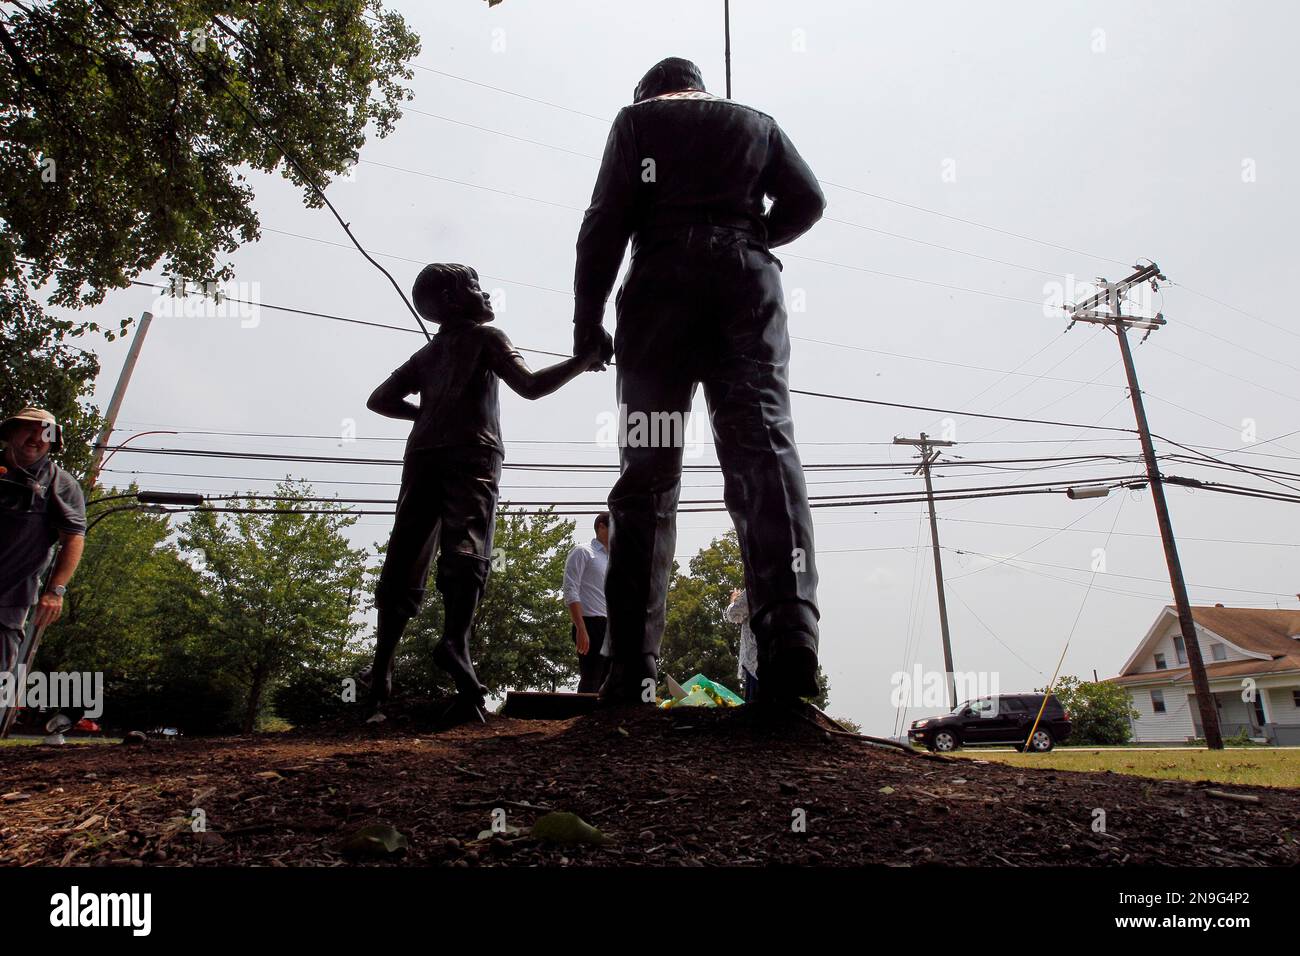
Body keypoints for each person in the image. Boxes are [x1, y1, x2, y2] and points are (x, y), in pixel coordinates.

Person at [572, 56, 826, 708]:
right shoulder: (756, 122)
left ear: (648, 91)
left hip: (659, 288)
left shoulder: (636, 122)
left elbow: (605, 222)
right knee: (762, 449)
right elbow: (809, 200)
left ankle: (630, 666)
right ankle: (791, 632)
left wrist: (586, 322)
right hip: (746, 286)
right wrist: (749, 237)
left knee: (648, 472)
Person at [365, 264, 599, 725]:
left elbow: (379, 400)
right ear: (452, 301)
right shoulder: (488, 338)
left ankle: (379, 677)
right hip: (473, 453)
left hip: (424, 453)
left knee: (407, 549)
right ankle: (454, 643)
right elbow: (530, 387)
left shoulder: (425, 357)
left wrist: (431, 414)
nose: (485, 292)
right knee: (467, 546)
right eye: (474, 287)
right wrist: (583, 360)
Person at [0, 408, 86, 677]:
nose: (36, 437)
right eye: (29, 429)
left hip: (6, 603)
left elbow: (73, 537)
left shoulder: (60, 484)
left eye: (45, 433)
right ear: (12, 432)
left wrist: (55, 590)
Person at [563, 511, 610, 693]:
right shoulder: (583, 551)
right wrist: (581, 628)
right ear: (601, 527)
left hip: (609, 625)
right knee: (591, 678)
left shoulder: (611, 559)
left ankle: (603, 721)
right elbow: (570, 589)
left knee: (607, 681)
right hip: (589, 623)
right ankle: (583, 719)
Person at [725, 587, 758, 703]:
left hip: (757, 664)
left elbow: (733, 614)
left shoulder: (758, 584)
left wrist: (734, 598)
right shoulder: (793, 583)